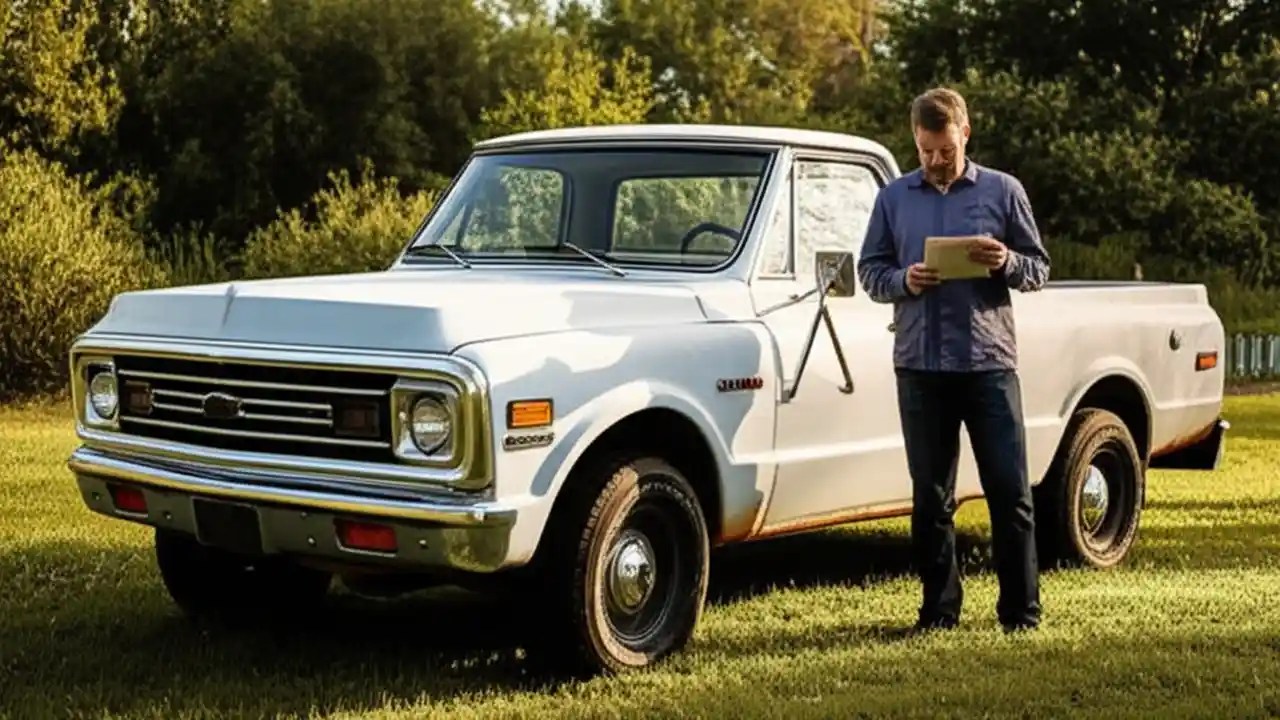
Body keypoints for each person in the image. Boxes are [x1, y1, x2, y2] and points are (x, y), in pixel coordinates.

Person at [856, 87, 1051, 633]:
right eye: (925, 151)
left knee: (1010, 496)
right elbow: (869, 271)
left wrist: (1007, 261)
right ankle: (938, 613)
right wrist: (904, 280)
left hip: (988, 364)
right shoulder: (893, 199)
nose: (936, 161)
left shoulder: (1004, 191)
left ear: (965, 133)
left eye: (945, 149)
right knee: (932, 500)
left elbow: (1038, 269)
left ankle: (1021, 615)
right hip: (919, 368)